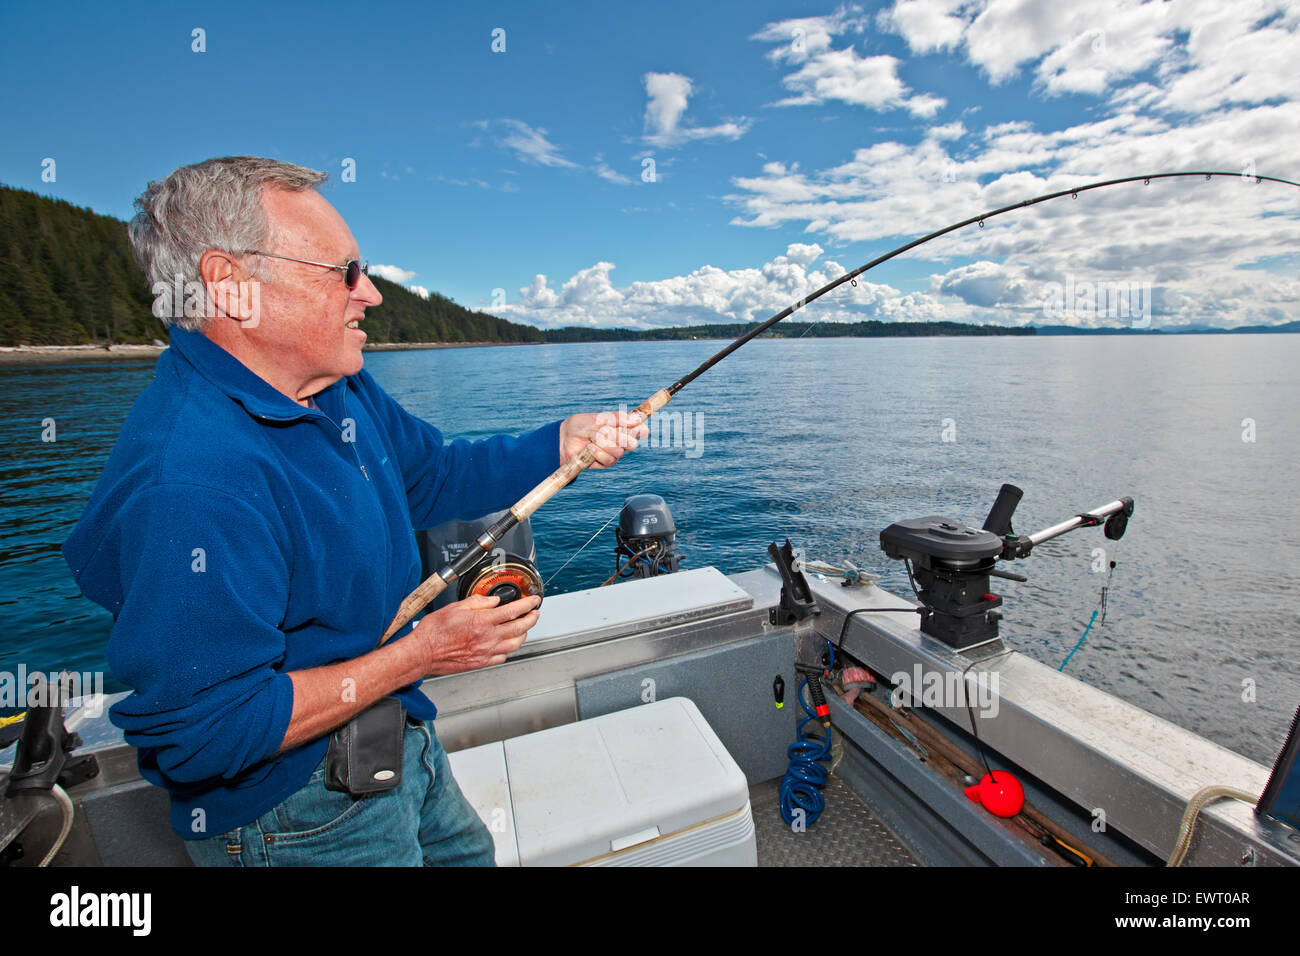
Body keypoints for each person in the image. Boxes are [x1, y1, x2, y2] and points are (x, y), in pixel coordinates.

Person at [61, 156, 647, 866]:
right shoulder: (190, 482)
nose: (368, 294)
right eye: (343, 272)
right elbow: (203, 733)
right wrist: (423, 653)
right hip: (296, 810)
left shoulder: (336, 387)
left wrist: (560, 441)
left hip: (398, 734)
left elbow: (431, 477)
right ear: (229, 284)